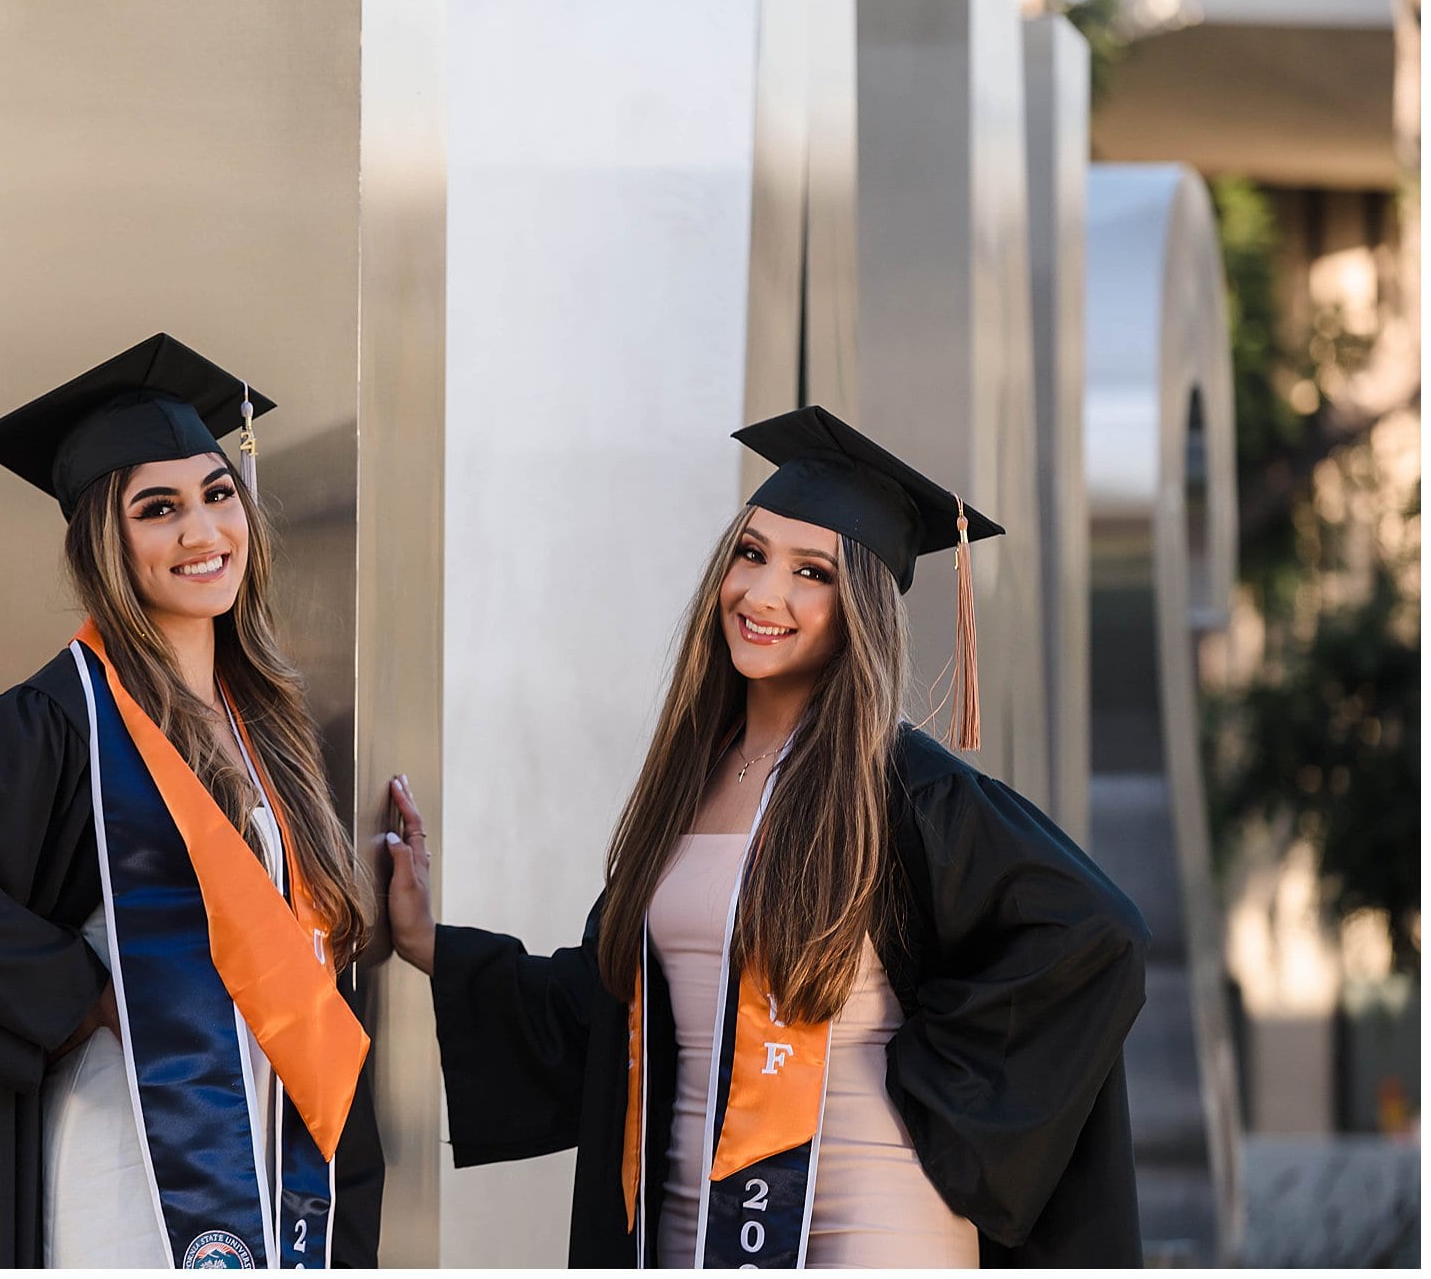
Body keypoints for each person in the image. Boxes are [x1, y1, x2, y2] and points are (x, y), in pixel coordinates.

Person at [384, 405, 1150, 1268]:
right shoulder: (687, 779)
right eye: (751, 555)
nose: (765, 595)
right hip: (683, 1223)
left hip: (871, 1216)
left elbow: (1095, 932)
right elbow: (608, 1006)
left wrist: (927, 1084)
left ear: (860, 606)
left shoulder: (900, 788)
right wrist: (426, 943)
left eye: (811, 572)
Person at [0, 333, 383, 1269]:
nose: (202, 533)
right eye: (160, 509)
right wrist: (82, 994)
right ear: (108, 544)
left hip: (277, 1146)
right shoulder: (60, 720)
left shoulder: (268, 722)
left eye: (217, 495)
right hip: (130, 1151)